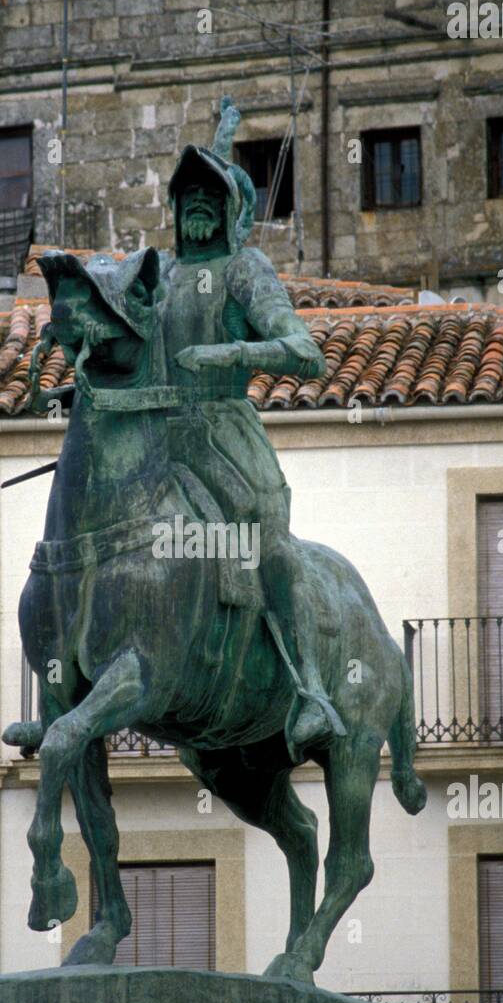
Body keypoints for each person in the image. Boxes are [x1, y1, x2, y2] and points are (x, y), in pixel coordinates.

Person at [155, 96, 345, 757]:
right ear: (174, 209)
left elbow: (305, 354)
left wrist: (228, 353)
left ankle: (310, 691)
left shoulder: (244, 269)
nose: (197, 205)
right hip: (155, 436)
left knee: (269, 544)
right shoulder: (158, 276)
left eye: (210, 195)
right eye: (188, 196)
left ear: (232, 210)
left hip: (226, 435)